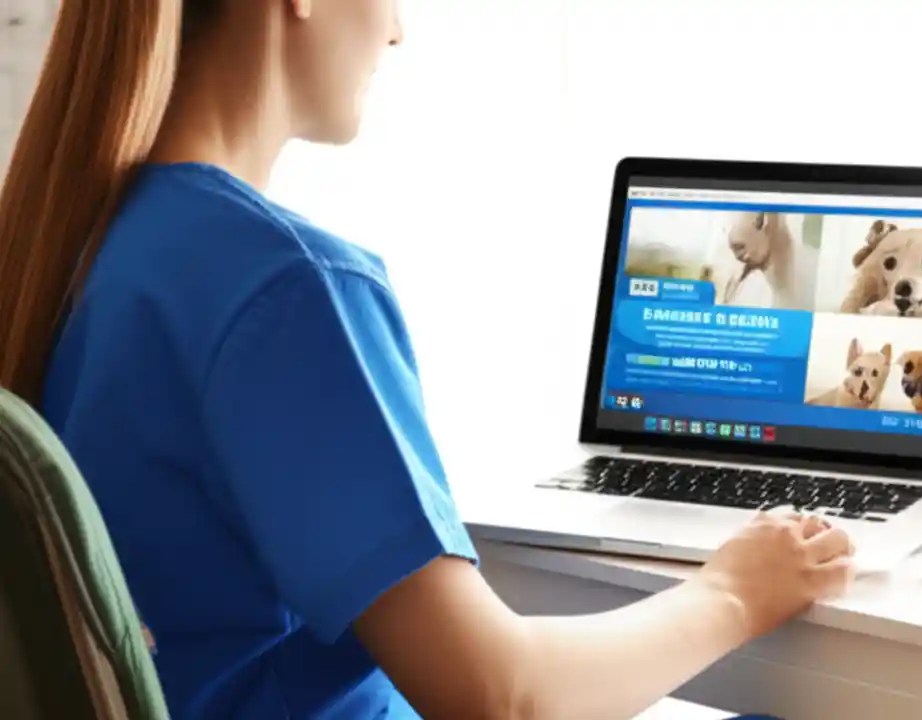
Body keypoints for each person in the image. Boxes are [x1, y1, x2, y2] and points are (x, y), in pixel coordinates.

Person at [0, 2, 855, 718]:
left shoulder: (86, 242)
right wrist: (734, 593)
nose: (397, 30)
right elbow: (499, 693)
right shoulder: (283, 283)